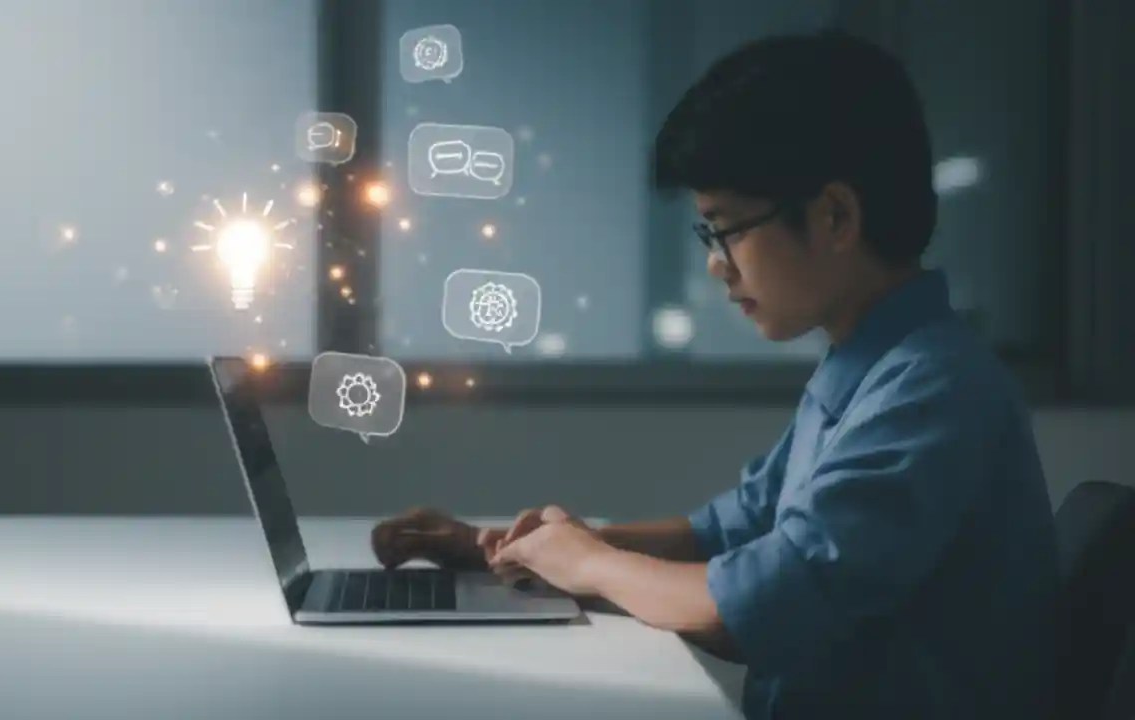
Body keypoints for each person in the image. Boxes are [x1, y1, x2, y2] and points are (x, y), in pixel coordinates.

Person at [372, 30, 1058, 720]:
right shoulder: (866, 366)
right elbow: (729, 532)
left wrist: (589, 564)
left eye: (724, 228)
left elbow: (760, 606)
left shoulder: (935, 386)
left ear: (835, 216)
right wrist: (523, 550)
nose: (715, 264)